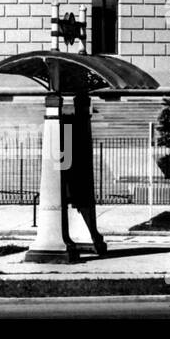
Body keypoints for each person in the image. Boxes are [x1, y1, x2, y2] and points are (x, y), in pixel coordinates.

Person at [64, 90, 108, 256]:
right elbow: (64, 159)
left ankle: (90, 236)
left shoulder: (70, 127)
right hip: (76, 179)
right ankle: (90, 236)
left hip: (78, 179)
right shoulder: (69, 128)